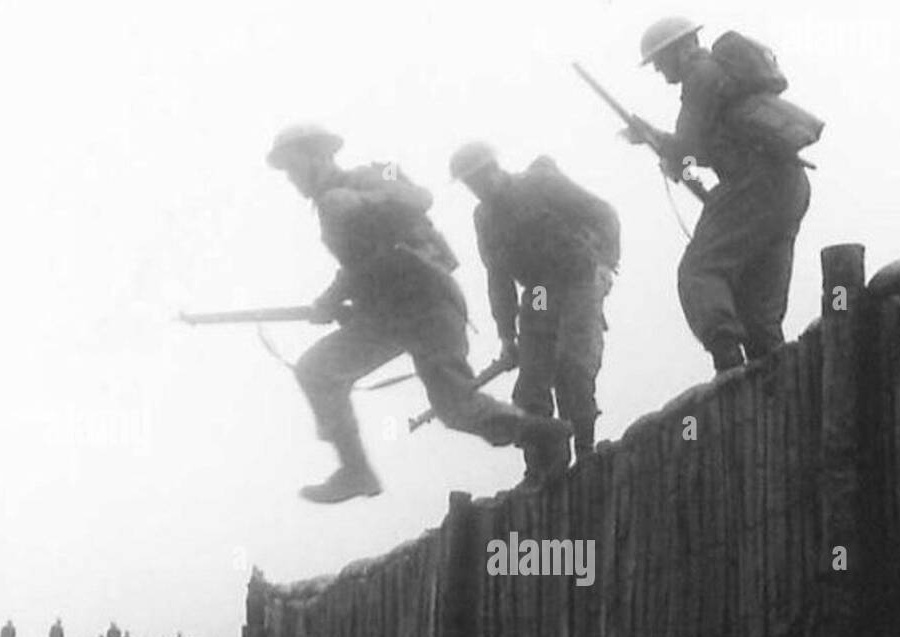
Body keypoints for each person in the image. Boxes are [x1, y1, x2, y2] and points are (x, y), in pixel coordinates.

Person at [265, 124, 571, 503]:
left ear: (319, 156)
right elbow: (359, 265)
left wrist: (360, 201)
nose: (292, 179)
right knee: (316, 369)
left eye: (294, 167)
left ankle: (545, 433)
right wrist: (329, 301)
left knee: (457, 409)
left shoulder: (373, 173)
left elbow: (420, 197)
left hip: (428, 302)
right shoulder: (327, 207)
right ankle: (355, 470)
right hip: (386, 314)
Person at [630, 18, 815, 372]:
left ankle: (726, 356)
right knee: (759, 308)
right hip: (788, 184)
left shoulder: (700, 75)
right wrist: (666, 148)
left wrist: (661, 144)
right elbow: (702, 150)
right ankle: (773, 380)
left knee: (699, 270)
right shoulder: (725, 77)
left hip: (754, 183)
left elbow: (687, 146)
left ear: (682, 49)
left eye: (660, 60)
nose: (658, 69)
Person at [449, 142, 619, 484]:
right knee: (531, 382)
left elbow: (602, 213)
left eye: (481, 177)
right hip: (540, 291)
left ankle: (585, 448)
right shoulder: (484, 219)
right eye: (470, 183)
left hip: (577, 276)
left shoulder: (540, 183)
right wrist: (507, 336)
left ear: (495, 168)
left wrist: (605, 262)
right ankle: (544, 465)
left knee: (573, 362)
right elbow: (498, 278)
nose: (478, 187)